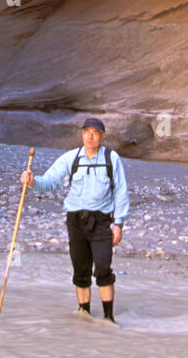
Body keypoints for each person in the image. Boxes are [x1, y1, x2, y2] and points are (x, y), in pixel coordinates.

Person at [21, 117, 129, 323]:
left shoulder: (111, 158)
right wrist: (32, 180)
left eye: (95, 132)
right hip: (76, 221)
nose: (90, 136)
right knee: (81, 269)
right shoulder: (71, 158)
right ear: (82, 134)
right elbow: (51, 181)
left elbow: (121, 192)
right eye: (86, 132)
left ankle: (108, 318)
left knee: (103, 267)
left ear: (102, 136)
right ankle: (84, 314)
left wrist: (119, 224)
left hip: (101, 221)